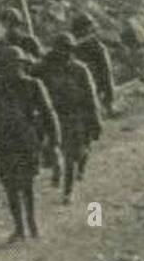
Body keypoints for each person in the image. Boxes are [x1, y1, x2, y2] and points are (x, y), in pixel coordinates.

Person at [0, 46, 61, 240]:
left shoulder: (33, 85)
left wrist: (54, 141)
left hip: (27, 142)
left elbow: (48, 113)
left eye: (15, 65)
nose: (11, 69)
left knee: (26, 184)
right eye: (7, 66)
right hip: (6, 144)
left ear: (22, 65)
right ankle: (19, 227)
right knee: (10, 186)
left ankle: (31, 221)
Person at [34, 33, 102, 203]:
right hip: (52, 115)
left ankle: (68, 191)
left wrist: (95, 120)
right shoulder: (44, 68)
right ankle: (58, 173)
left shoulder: (80, 69)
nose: (65, 53)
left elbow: (90, 96)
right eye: (61, 49)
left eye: (68, 49)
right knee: (51, 149)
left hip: (74, 115)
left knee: (72, 154)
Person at [0, 7, 43, 118]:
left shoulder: (29, 42)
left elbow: (42, 66)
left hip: (27, 88)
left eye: (14, 25)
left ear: (19, 25)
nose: (11, 29)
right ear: (3, 25)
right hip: (6, 89)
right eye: (7, 24)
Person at [70, 13, 117, 117]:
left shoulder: (72, 42)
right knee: (105, 78)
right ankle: (108, 106)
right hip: (91, 75)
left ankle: (105, 106)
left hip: (86, 77)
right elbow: (106, 70)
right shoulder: (92, 42)